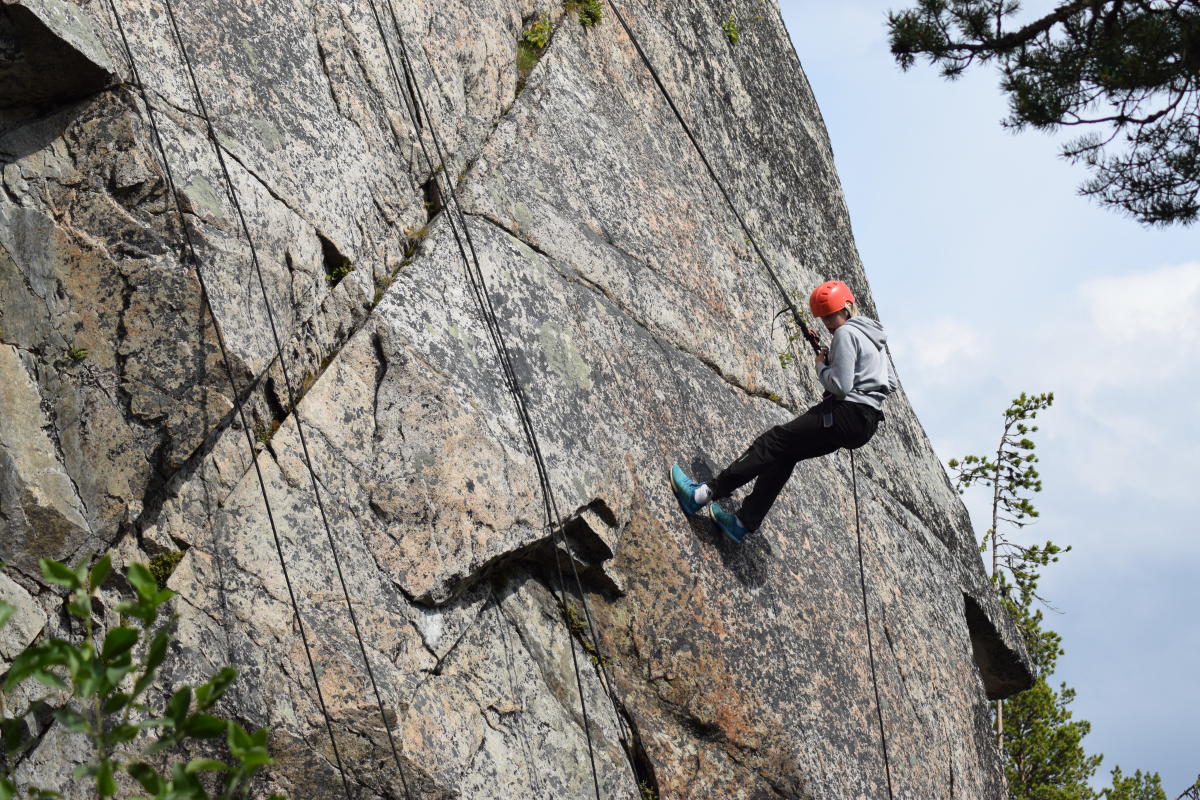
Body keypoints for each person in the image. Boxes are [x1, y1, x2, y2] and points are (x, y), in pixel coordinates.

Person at [670, 280, 897, 542]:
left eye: (831, 315)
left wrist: (822, 366)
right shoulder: (876, 339)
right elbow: (888, 383)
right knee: (785, 454)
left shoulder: (845, 334)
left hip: (846, 412)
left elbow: (840, 386)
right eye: (824, 318)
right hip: (866, 423)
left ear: (846, 307)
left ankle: (702, 494)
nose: (828, 323)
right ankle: (742, 523)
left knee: (773, 440)